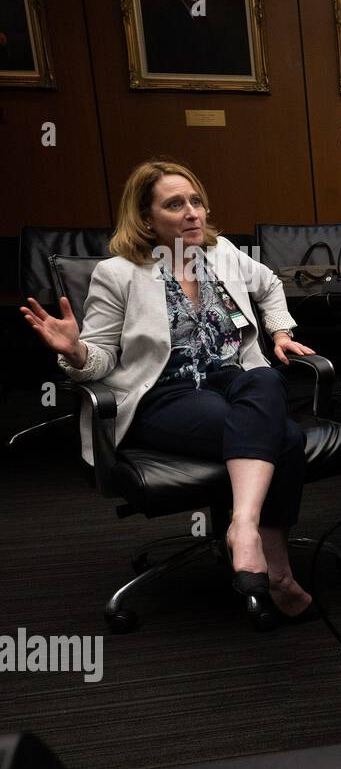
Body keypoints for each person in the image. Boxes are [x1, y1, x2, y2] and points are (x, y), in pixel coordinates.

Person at [19, 161, 317, 618]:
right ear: (145, 217)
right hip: (165, 395)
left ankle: (242, 528)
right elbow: (100, 361)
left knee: (264, 377)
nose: (192, 213)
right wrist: (75, 351)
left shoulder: (223, 254)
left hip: (233, 382)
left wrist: (278, 332)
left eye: (196, 201)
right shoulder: (117, 274)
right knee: (287, 436)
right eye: (175, 204)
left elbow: (271, 285)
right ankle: (276, 571)